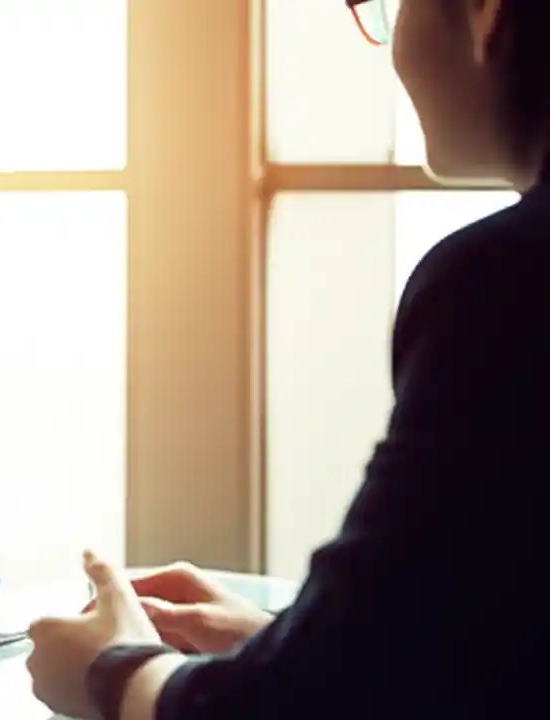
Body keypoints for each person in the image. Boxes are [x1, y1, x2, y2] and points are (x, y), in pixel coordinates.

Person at [27, 0, 550, 717]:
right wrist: (297, 642)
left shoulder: (504, 284)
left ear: (488, 15)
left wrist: (112, 672)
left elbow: (293, 708)